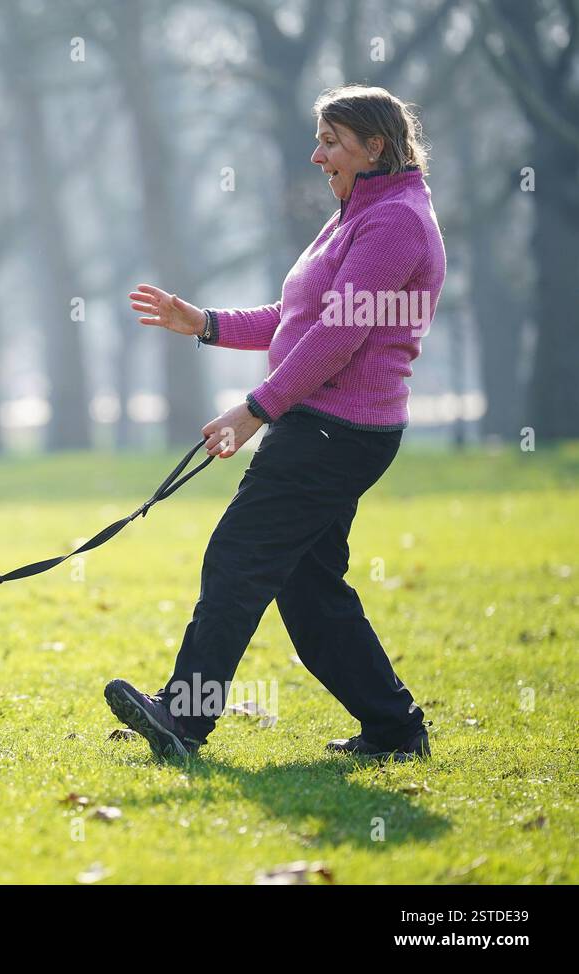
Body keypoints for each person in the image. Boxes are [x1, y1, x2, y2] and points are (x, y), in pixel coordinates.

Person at [104, 84, 445, 763]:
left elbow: (336, 339)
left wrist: (254, 410)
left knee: (238, 559)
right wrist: (205, 323)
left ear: (375, 148)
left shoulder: (395, 223)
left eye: (331, 143)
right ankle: (394, 729)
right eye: (320, 140)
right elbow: (301, 317)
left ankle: (182, 717)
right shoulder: (363, 210)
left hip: (332, 431)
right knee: (310, 586)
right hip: (330, 426)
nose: (317, 156)